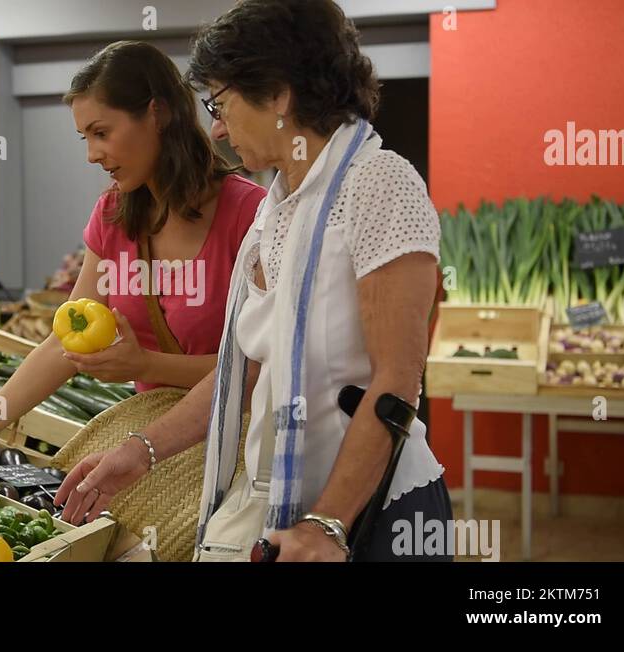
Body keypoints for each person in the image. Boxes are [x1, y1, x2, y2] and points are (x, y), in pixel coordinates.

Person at [54, 0, 453, 562]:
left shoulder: (378, 185)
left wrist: (328, 525)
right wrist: (141, 450)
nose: (215, 125)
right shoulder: (278, 211)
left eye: (221, 103)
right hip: (285, 503)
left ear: (278, 94)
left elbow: (398, 382)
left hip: (369, 515)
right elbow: (243, 372)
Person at [0, 41, 266, 478]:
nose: (92, 154)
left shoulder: (251, 216)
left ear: (157, 113)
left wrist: (148, 365)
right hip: (153, 454)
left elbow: (259, 369)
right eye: (85, 138)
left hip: (237, 450)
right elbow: (62, 343)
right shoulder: (114, 215)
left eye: (101, 133)